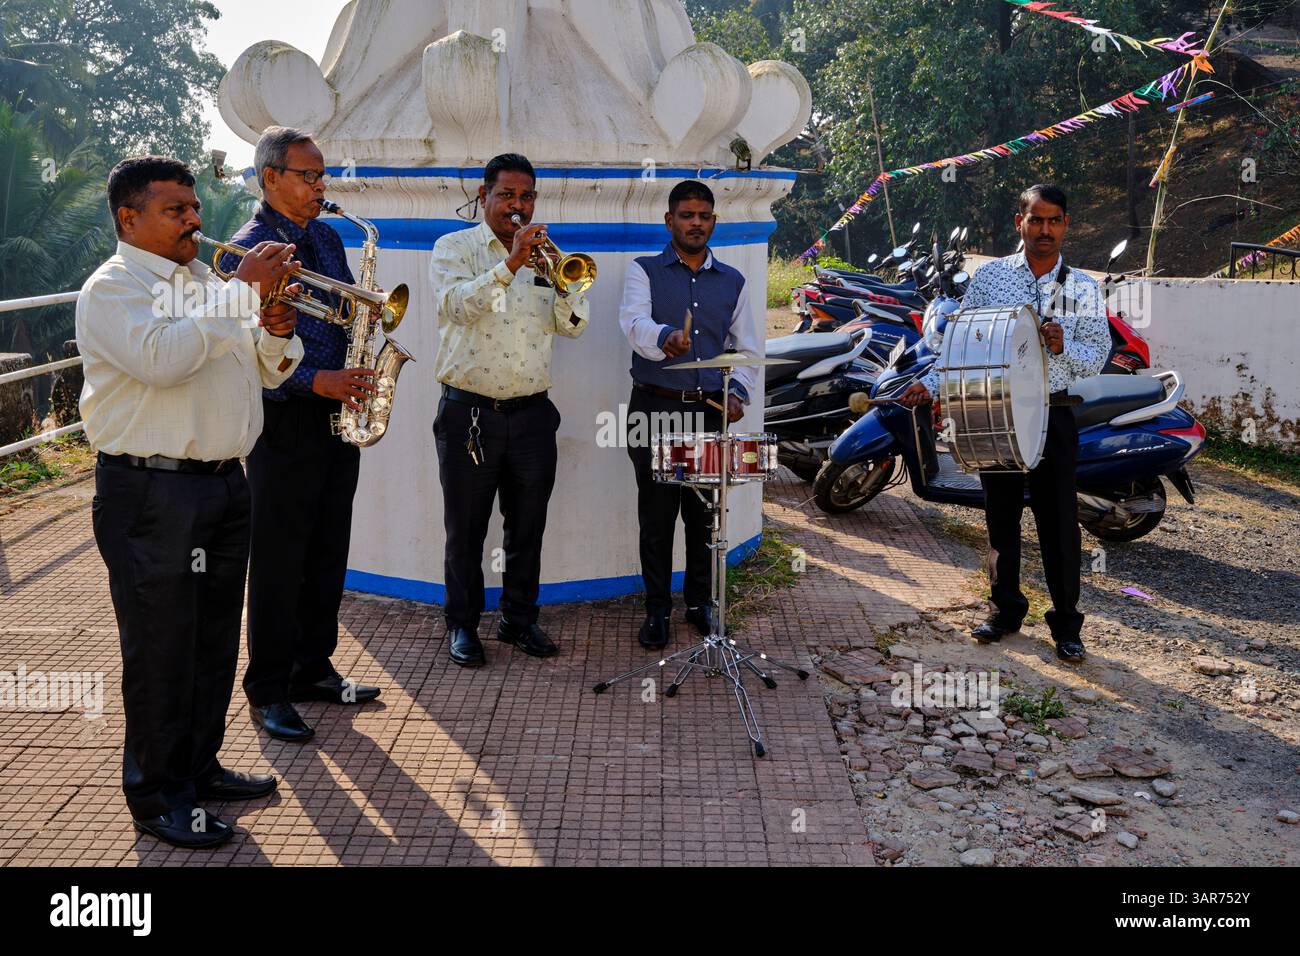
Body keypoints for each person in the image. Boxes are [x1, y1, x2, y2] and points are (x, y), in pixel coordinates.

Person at [78, 156, 305, 848]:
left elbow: (265, 369)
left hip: (221, 483)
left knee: (211, 642)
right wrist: (241, 296)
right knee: (160, 649)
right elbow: (162, 359)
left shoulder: (205, 282)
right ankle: (155, 795)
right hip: (151, 491)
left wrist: (274, 324)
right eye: (176, 210)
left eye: (195, 206)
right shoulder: (112, 289)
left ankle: (198, 768)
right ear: (129, 217)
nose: (196, 221)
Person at [219, 126, 382, 745]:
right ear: (270, 179)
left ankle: (314, 668)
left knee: (326, 549)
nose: (321, 186)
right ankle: (267, 689)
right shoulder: (248, 251)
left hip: (334, 416)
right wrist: (318, 381)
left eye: (323, 176)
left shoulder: (327, 237)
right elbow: (244, 352)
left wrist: (364, 339)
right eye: (309, 176)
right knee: (280, 559)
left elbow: (343, 313)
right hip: (282, 419)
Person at [900, 184, 1108, 662]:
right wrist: (930, 385)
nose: (1045, 230)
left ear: (1066, 225)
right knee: (1001, 515)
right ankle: (1005, 610)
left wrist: (1063, 346)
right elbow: (961, 344)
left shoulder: (1082, 289)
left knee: (1059, 523)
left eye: (1054, 220)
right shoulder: (991, 277)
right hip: (996, 410)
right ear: (1020, 222)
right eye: (1036, 220)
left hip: (1053, 413)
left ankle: (1066, 625)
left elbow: (1097, 356)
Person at [428, 153, 589, 667]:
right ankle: (463, 626)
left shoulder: (547, 258)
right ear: (484, 196)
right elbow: (456, 307)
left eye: (526, 197)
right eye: (506, 195)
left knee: (527, 527)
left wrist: (562, 286)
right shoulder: (454, 248)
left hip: (532, 416)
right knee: (466, 529)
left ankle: (520, 620)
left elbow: (575, 326)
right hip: (469, 416)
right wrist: (510, 263)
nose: (517, 206)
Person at [618, 180, 759, 649]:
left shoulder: (734, 281)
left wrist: (737, 392)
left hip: (707, 414)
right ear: (670, 221)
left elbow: (745, 349)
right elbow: (633, 324)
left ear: (713, 222)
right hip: (656, 408)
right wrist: (664, 338)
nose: (695, 223)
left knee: (703, 516)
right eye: (686, 215)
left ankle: (700, 604)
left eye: (703, 216)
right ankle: (656, 610)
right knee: (656, 517)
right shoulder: (644, 271)